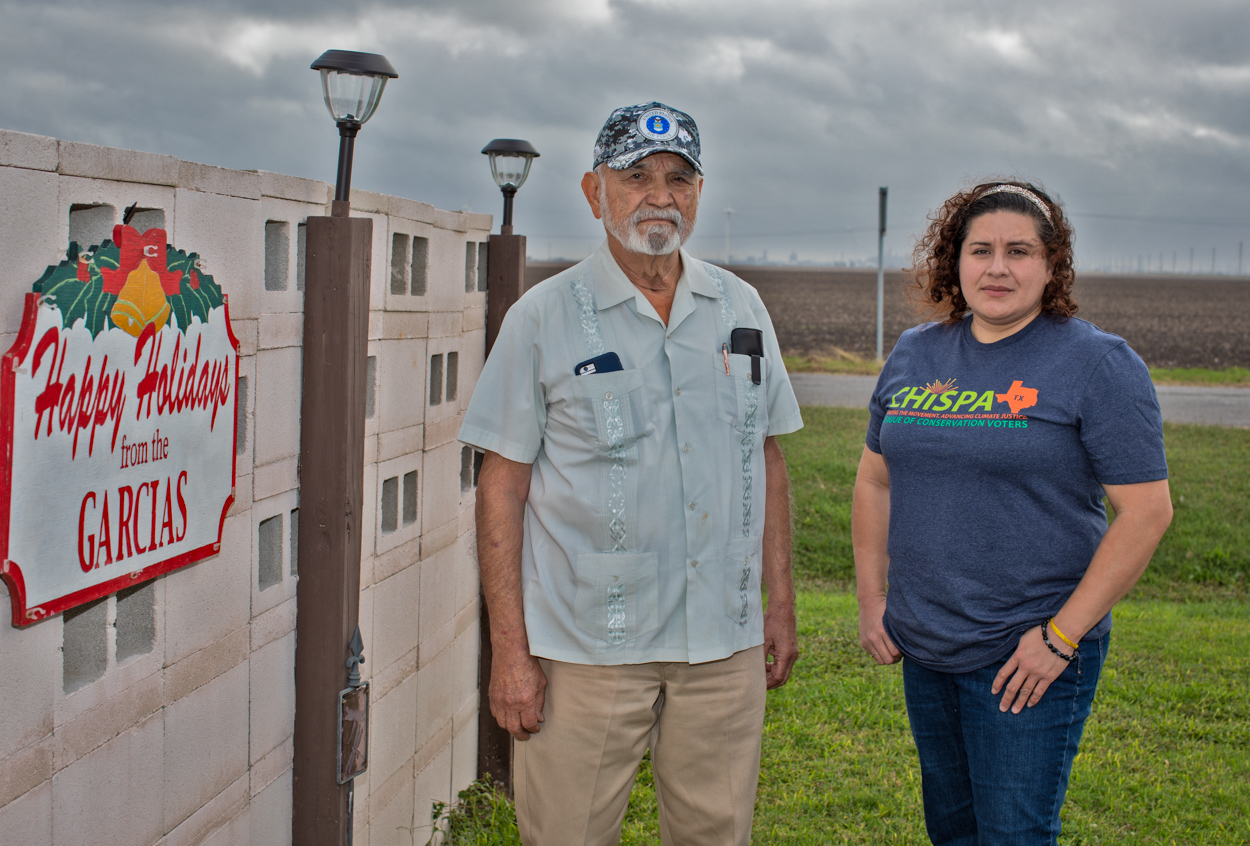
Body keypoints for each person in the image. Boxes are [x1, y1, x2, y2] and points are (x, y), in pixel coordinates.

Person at [459, 101, 803, 846]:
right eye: (636, 175)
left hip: (722, 640)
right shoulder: (543, 318)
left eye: (679, 177)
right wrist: (510, 651)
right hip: (586, 648)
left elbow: (765, 456)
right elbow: (503, 485)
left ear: (700, 193)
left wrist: (779, 602)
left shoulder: (739, 308)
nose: (660, 194)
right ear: (594, 192)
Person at [852, 180, 1173, 845]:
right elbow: (875, 481)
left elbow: (1146, 512)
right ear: (954, 260)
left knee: (1013, 835)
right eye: (981, 250)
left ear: (1052, 265)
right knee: (952, 829)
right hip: (927, 645)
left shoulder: (1097, 364)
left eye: (1019, 251)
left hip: (1026, 652)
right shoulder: (916, 353)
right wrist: (871, 597)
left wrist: (1061, 637)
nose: (997, 268)